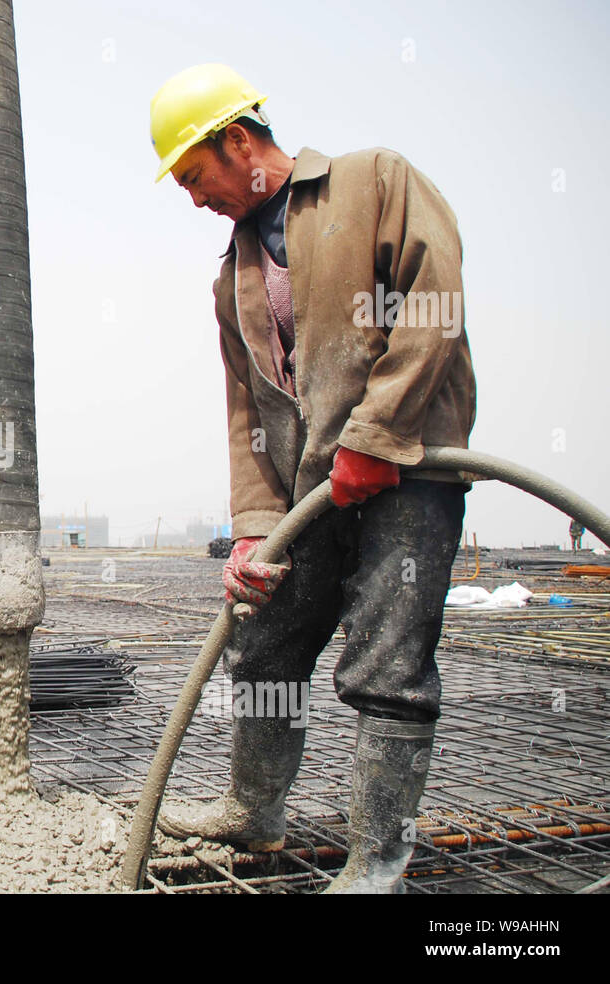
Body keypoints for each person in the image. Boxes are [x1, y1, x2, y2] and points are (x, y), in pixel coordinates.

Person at [149, 64, 476, 893]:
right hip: (311, 490)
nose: (193, 199)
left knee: (386, 670)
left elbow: (433, 300)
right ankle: (254, 811)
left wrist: (378, 432)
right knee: (262, 645)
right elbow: (244, 410)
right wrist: (256, 523)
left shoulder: (373, 181)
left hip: (409, 473)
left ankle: (375, 863)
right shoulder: (233, 277)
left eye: (195, 176)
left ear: (238, 140)